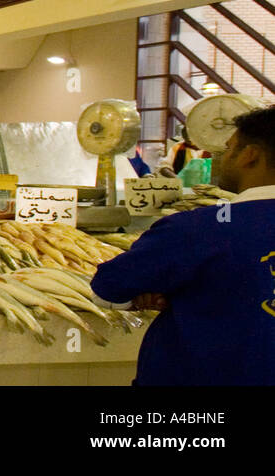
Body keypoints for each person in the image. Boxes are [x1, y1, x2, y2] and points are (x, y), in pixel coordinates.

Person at [89, 106, 275, 385]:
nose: (218, 158)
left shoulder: (198, 228)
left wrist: (148, 295)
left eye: (228, 149)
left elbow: (106, 289)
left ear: (250, 155)